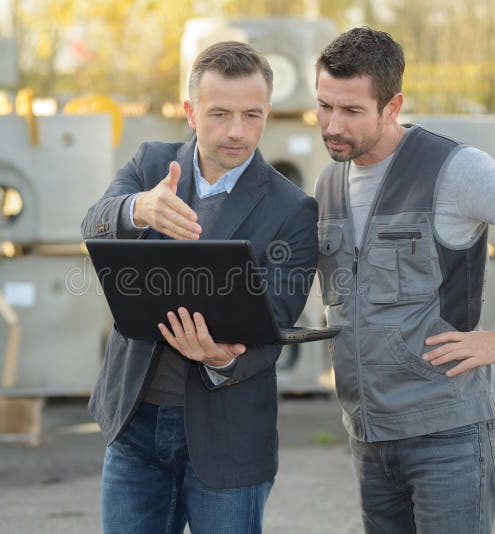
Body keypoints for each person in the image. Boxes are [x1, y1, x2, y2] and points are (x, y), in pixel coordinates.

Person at [312, 27, 495, 533]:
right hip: (369, 438)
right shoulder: (329, 179)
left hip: (448, 436)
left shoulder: (453, 170)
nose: (333, 125)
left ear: (392, 105)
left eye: (351, 111)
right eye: (324, 106)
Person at [81, 41, 318, 533]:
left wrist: (223, 358)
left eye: (253, 115)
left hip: (228, 436)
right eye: (220, 114)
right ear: (190, 112)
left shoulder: (291, 209)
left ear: (268, 113)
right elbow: (92, 224)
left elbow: (275, 319)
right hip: (135, 427)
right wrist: (137, 208)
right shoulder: (151, 165)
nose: (237, 131)